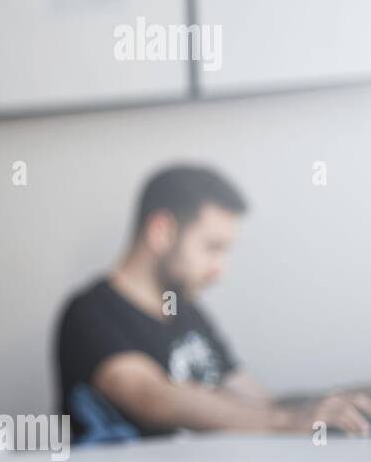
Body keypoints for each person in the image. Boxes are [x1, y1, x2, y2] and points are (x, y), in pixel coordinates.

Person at [54, 164, 371, 443]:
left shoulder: (186, 312)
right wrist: (288, 421)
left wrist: (333, 405)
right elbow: (151, 396)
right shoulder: (89, 313)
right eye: (212, 248)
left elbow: (255, 400)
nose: (220, 270)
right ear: (161, 232)